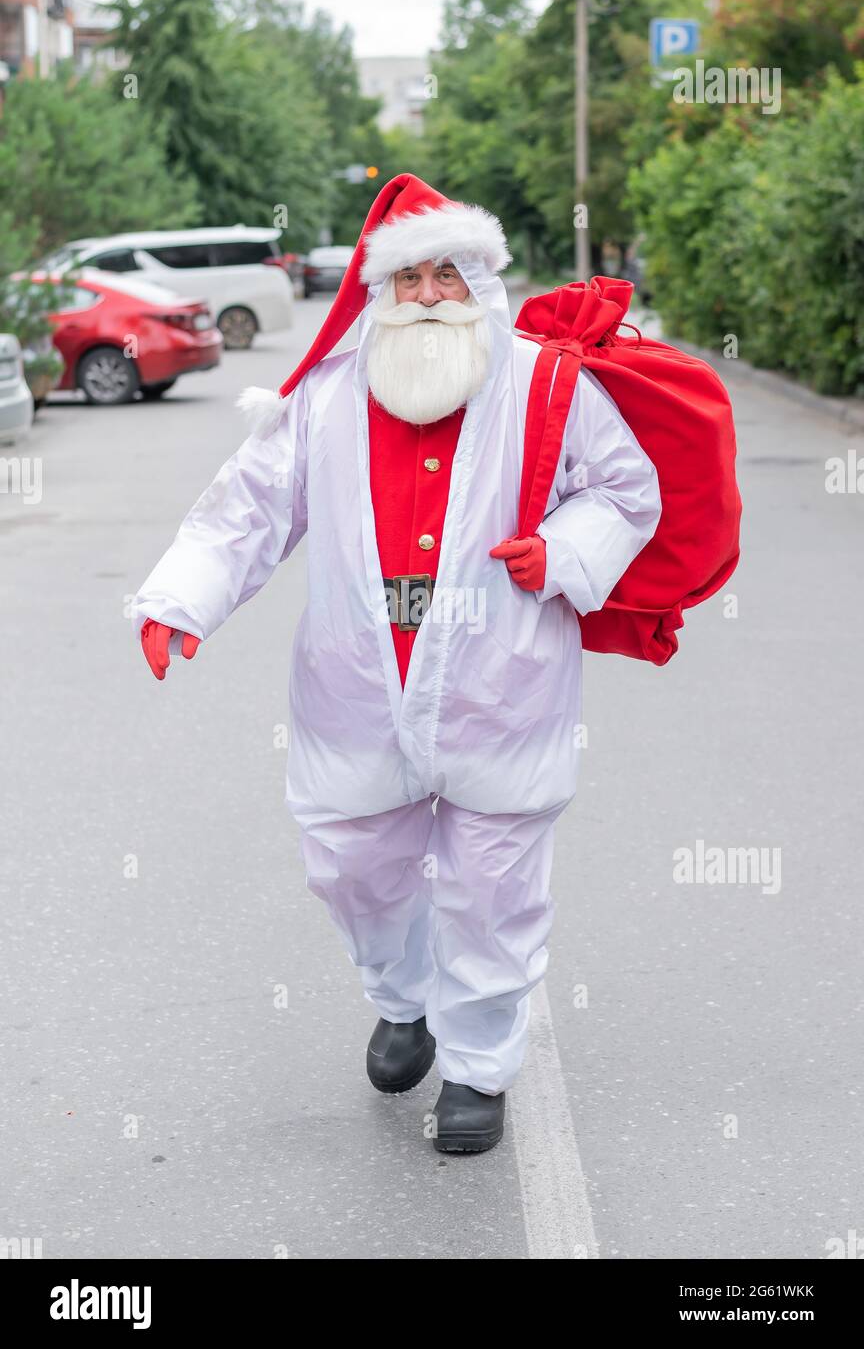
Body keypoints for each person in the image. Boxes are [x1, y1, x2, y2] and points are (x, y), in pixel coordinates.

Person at [133, 174, 662, 1154]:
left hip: (502, 688)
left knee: (493, 885)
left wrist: (564, 551)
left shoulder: (547, 385)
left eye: (446, 273)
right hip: (354, 693)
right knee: (352, 870)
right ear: (380, 292)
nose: (425, 293)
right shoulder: (327, 397)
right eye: (407, 275)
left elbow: (626, 491)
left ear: (481, 282)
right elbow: (250, 507)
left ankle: (477, 1068)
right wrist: (181, 596)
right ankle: (402, 994)